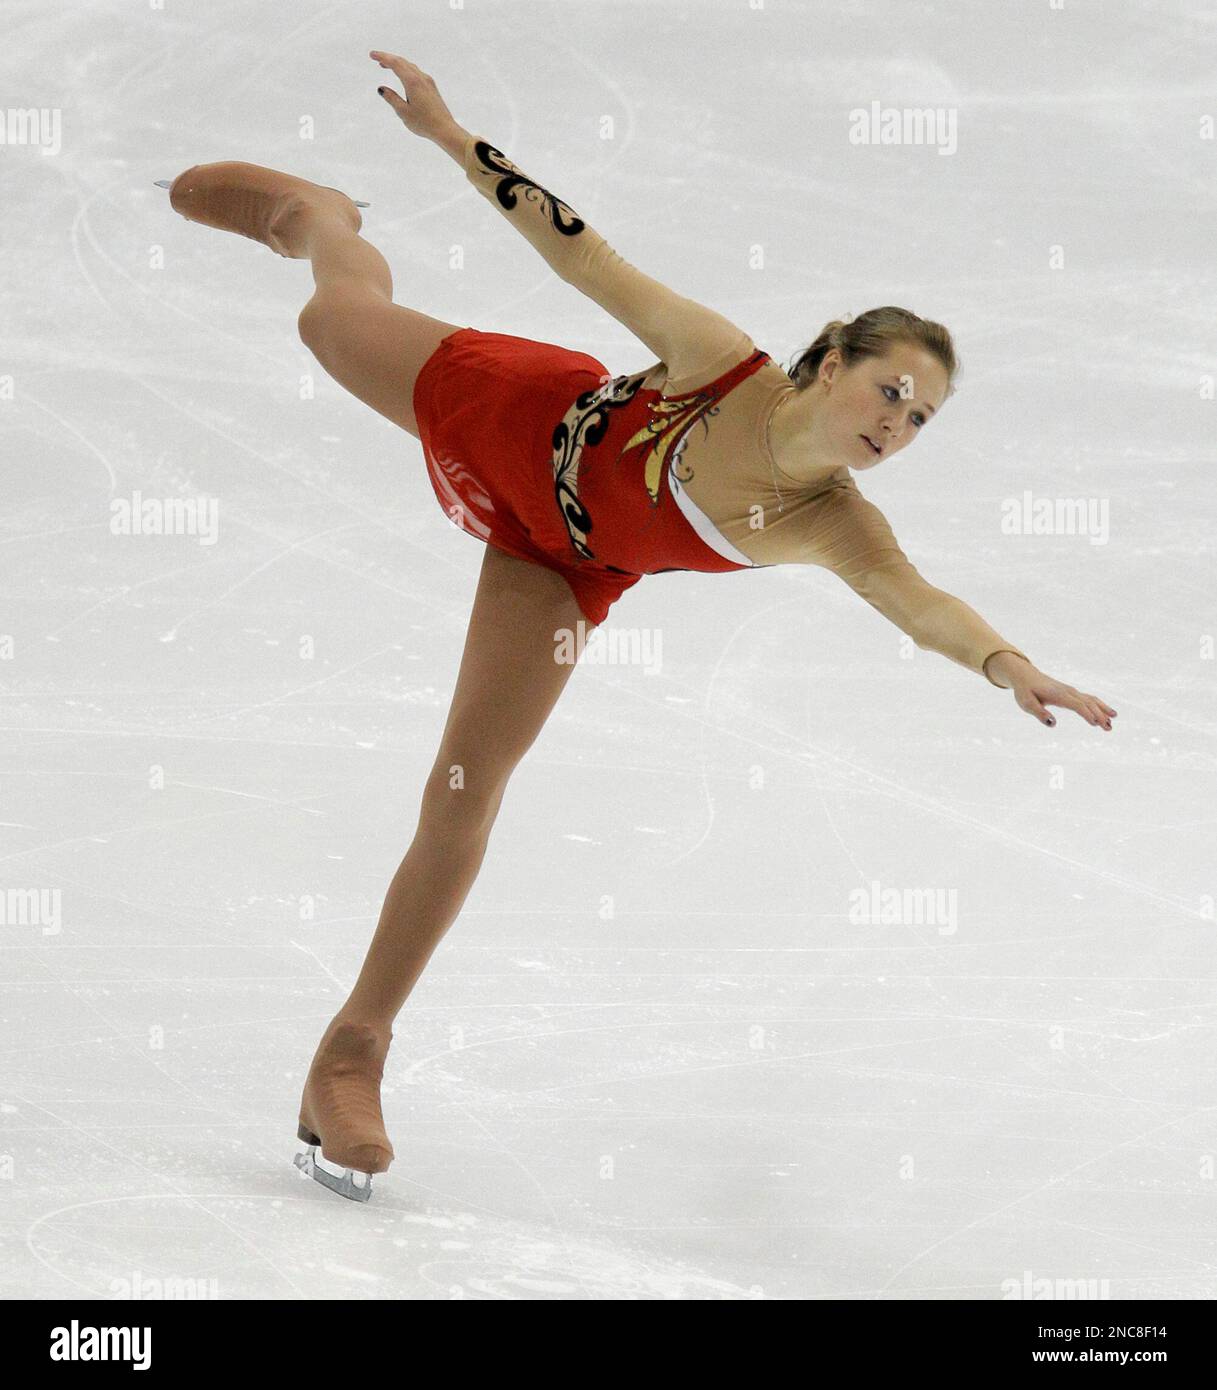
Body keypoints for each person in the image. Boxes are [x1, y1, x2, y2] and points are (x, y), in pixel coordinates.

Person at [162, 49, 1118, 1201]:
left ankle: (351, 1050)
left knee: (465, 786)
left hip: (560, 562)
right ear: (826, 364)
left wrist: (1010, 664)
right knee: (334, 318)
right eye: (888, 391)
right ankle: (315, 216)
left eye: (921, 418)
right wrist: (451, 137)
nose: (898, 423)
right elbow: (580, 248)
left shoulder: (834, 524)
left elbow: (919, 603)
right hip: (518, 416)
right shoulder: (724, 367)